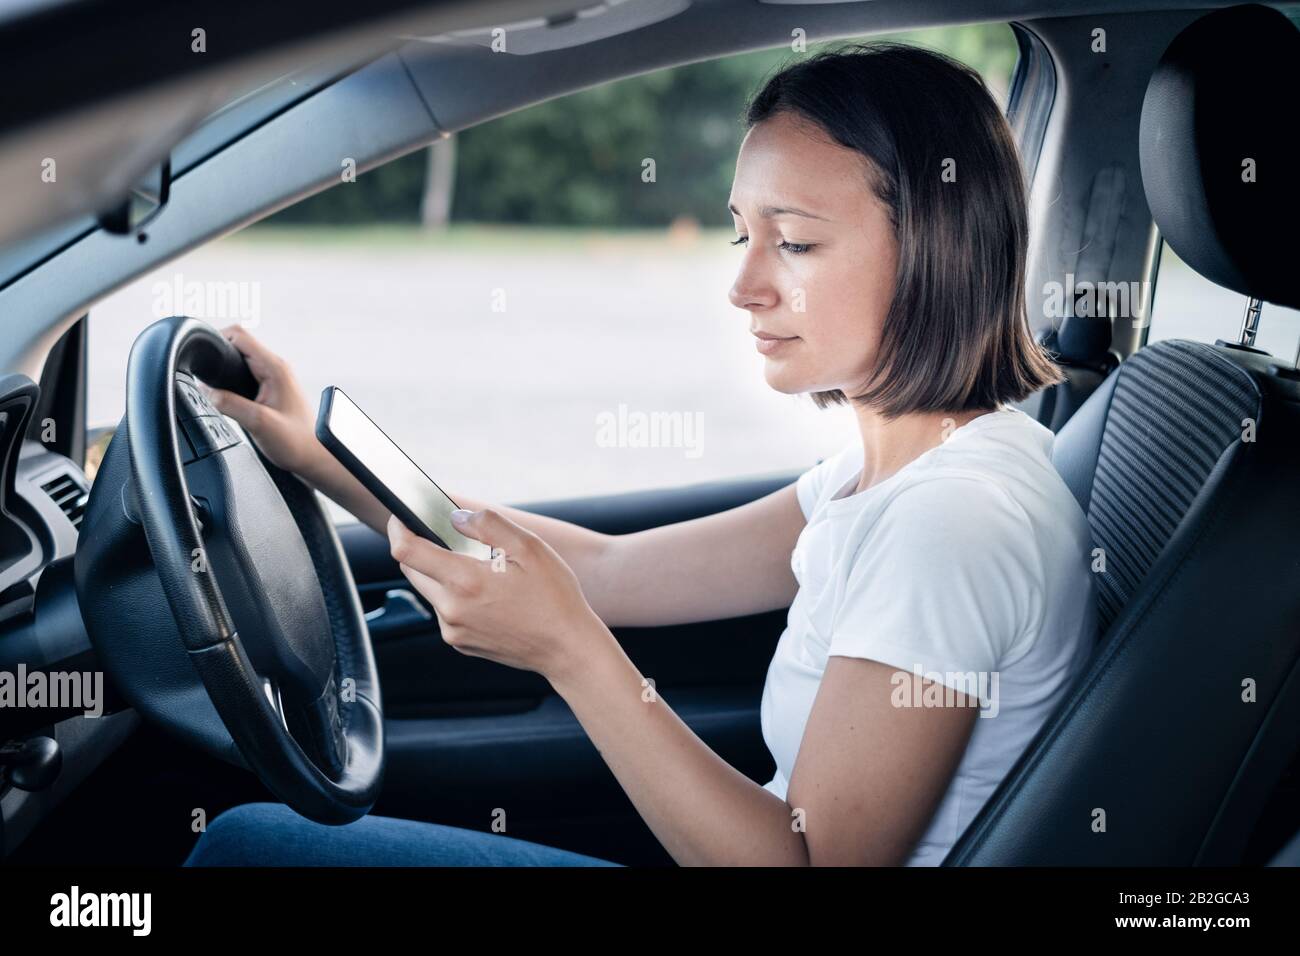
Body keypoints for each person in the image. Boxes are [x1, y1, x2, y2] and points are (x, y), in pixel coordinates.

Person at [184, 41, 1096, 867]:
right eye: (745, 233)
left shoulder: (949, 525)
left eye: (798, 242)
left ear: (938, 248)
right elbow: (614, 569)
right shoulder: (897, 474)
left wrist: (573, 654)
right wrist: (318, 457)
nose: (743, 285)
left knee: (242, 851)